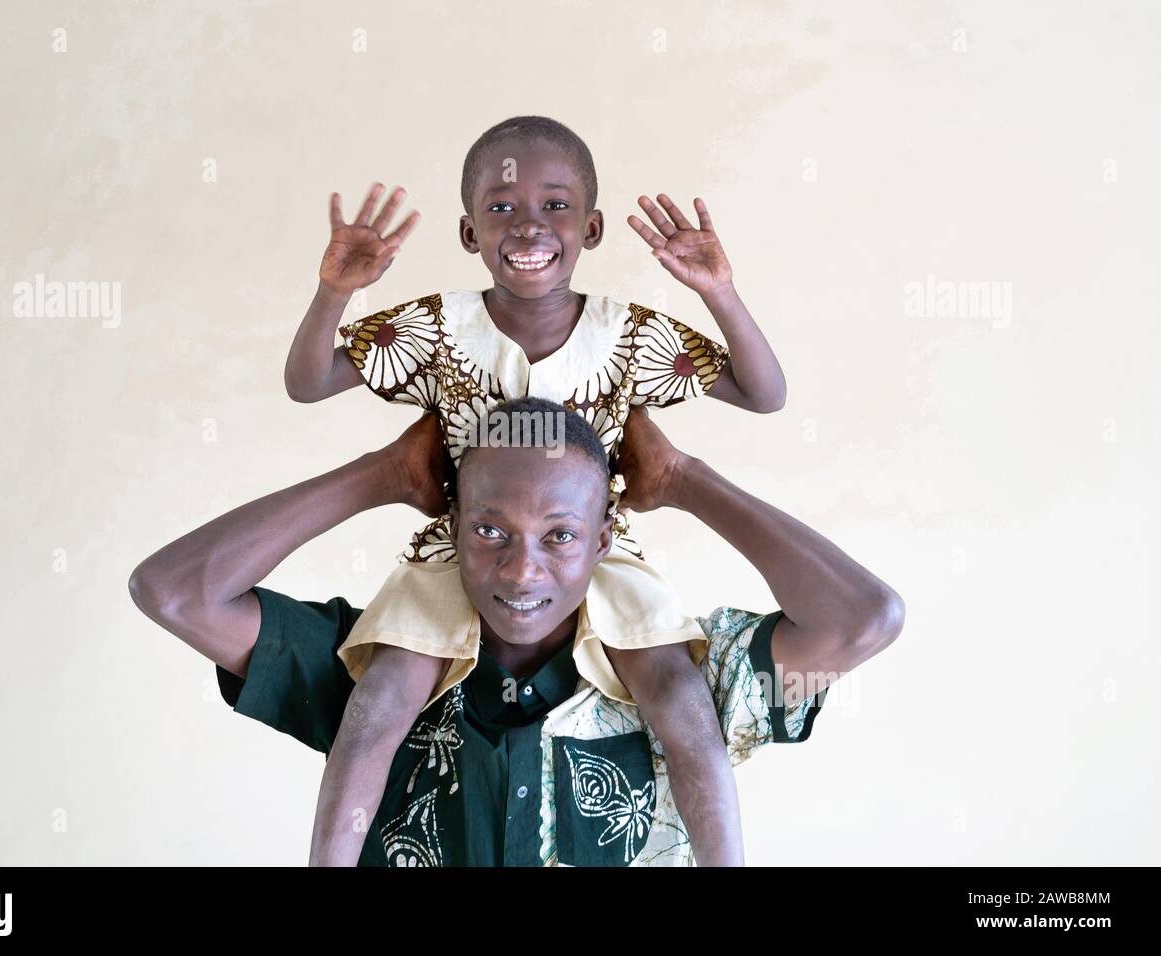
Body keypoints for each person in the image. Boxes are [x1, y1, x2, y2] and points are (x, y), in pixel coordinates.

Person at [283, 115, 792, 865]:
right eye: (501, 207)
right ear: (467, 232)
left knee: (684, 707)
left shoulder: (628, 334)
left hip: (592, 552)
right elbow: (308, 381)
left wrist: (718, 288)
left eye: (555, 206)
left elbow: (764, 391)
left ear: (590, 228)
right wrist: (334, 292)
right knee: (378, 706)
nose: (528, 225)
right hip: (462, 551)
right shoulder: (435, 328)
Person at [128, 398, 906, 866]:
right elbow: (172, 591)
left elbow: (863, 619)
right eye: (490, 530)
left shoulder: (692, 680)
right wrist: (379, 476)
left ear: (604, 539)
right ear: (453, 528)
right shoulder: (363, 668)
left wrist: (685, 482)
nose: (522, 571)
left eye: (560, 536)